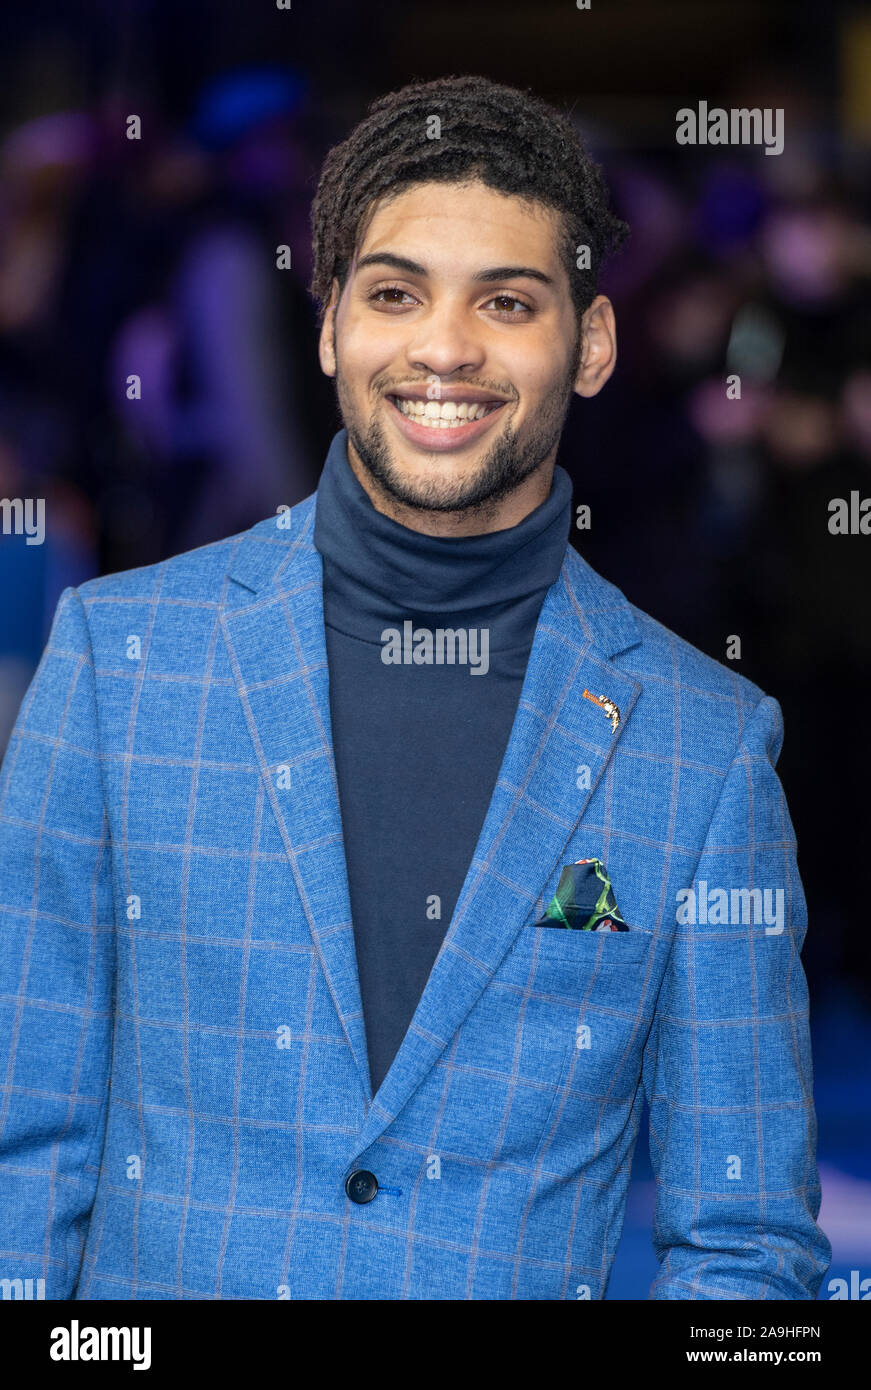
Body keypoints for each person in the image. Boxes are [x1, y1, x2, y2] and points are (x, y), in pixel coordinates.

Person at [0, 75, 831, 1300]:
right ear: (331, 323)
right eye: (395, 293)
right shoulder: (118, 661)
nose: (444, 347)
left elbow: (748, 1243)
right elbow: (22, 1155)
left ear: (590, 344)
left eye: (507, 300)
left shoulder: (702, 749)